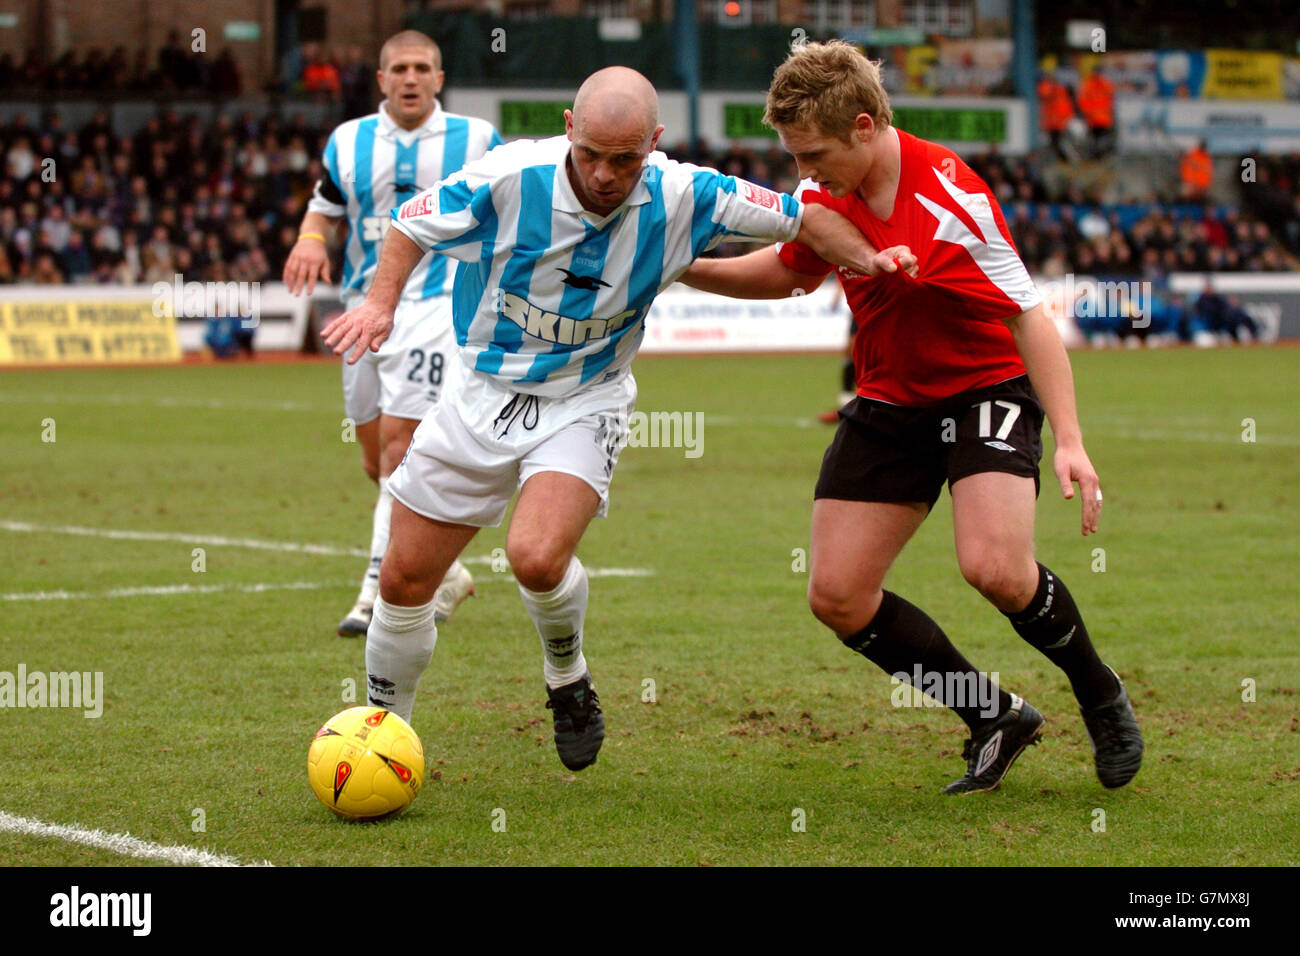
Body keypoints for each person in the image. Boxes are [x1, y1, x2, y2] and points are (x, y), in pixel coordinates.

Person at [321, 65, 907, 771]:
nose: (604, 173)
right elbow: (410, 223)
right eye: (591, 153)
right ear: (569, 126)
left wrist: (873, 261)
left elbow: (804, 216)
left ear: (653, 144)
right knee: (402, 582)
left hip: (585, 398)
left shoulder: (688, 191)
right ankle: (386, 734)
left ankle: (567, 678)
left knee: (535, 557)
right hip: (477, 393)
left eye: (625, 158)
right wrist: (382, 302)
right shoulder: (510, 175)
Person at [682, 41, 1143, 794]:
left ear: (864, 127)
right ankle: (993, 716)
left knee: (993, 568)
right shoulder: (825, 196)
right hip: (891, 402)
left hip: (983, 390)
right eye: (794, 156)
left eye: (815, 154)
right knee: (836, 595)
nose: (804, 174)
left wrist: (1072, 441)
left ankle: (1100, 692)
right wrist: (683, 266)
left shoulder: (953, 201)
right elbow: (791, 274)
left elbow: (1030, 317)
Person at [284, 30, 500, 637]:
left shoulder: (478, 140)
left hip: (435, 308)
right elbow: (326, 204)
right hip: (362, 310)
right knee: (375, 460)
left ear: (438, 78)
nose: (410, 78)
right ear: (381, 80)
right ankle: (449, 568)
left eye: (422, 68)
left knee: (400, 448)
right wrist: (308, 239)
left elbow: (510, 201)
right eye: (399, 68)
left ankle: (375, 591)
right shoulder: (347, 141)